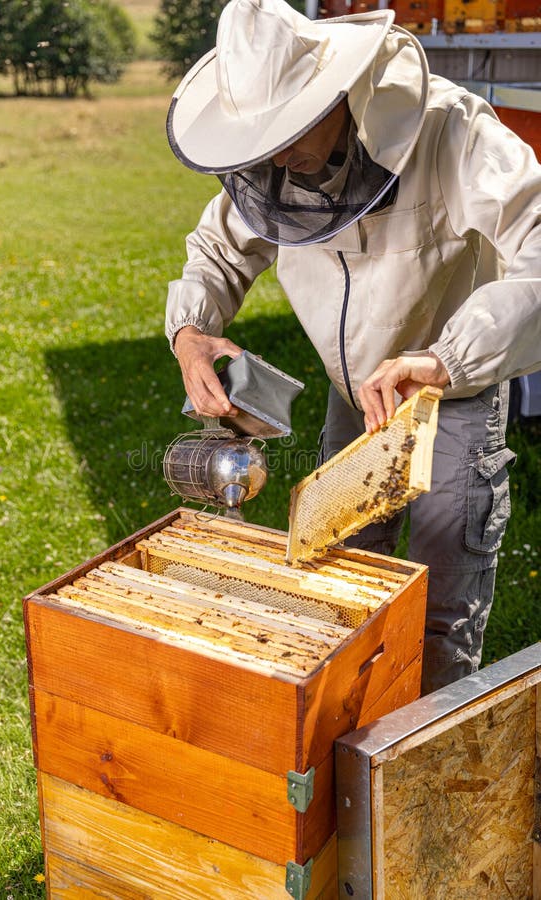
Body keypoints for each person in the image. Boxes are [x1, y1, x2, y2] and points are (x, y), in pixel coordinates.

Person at [164, 0, 541, 693]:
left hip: (446, 395)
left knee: (436, 611)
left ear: (336, 90)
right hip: (351, 396)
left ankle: (423, 779)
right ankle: (343, 763)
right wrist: (190, 333)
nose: (281, 155)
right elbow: (217, 250)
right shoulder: (266, 164)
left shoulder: (447, 129)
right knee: (336, 585)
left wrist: (446, 358)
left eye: (293, 128)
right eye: (263, 138)